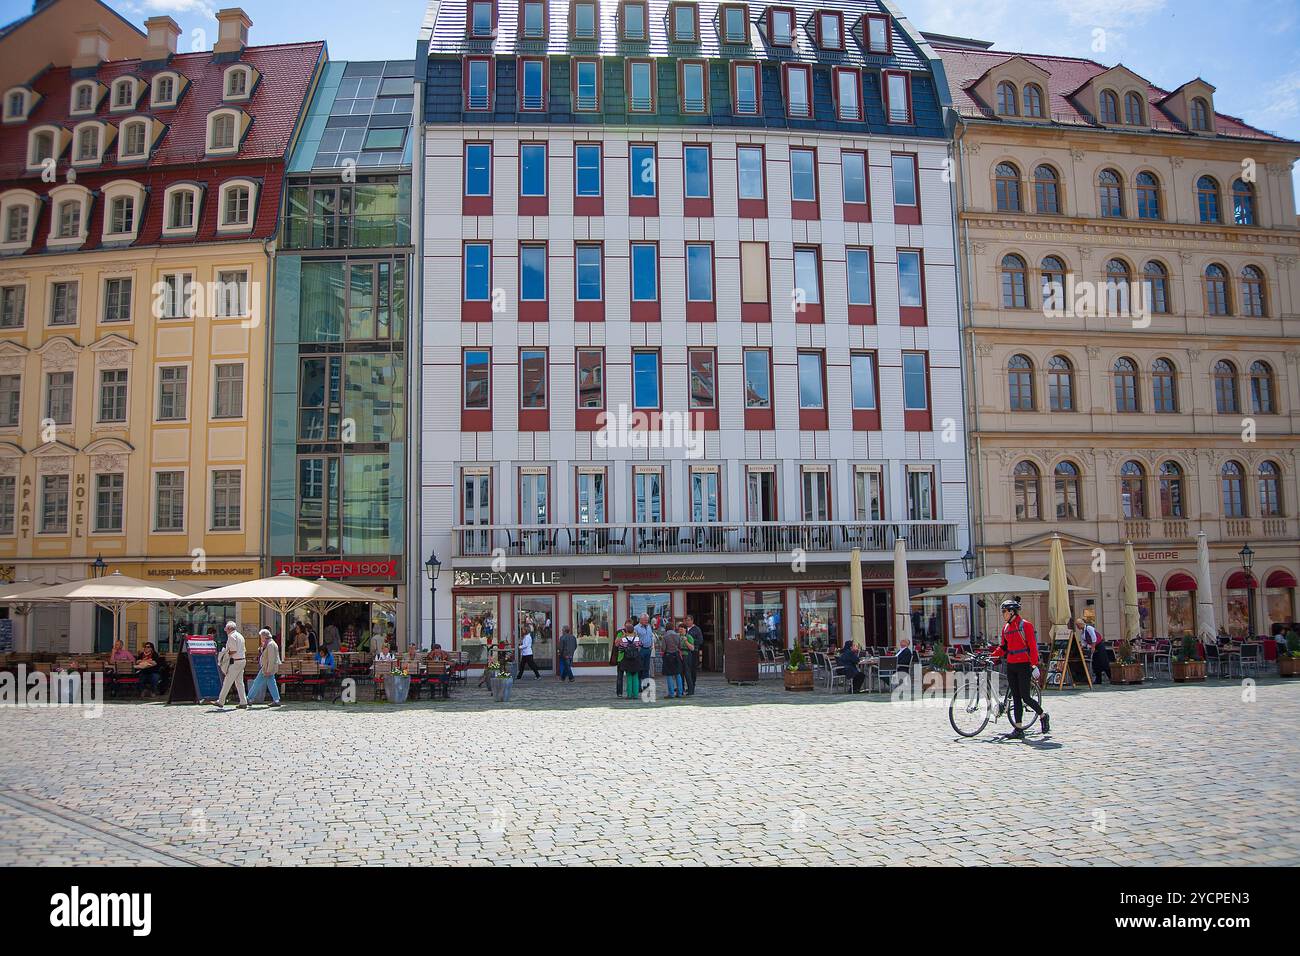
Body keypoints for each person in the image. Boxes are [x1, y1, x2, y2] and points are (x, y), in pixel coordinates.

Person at [992, 599, 1049, 738]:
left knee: (1025, 697)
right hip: (1011, 665)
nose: (1003, 614)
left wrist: (1034, 665)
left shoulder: (1026, 626)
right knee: (1016, 697)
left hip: (1024, 664)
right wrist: (992, 655)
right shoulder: (1006, 628)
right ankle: (1018, 728)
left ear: (1012, 611)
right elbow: (1004, 647)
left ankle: (1042, 715)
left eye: (1004, 611)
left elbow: (1033, 647)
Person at [215, 621, 249, 709]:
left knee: (227, 681)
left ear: (229, 629)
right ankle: (243, 702)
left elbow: (233, 650)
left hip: (236, 661)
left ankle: (220, 701)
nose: (225, 631)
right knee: (239, 682)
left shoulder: (231, 636)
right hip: (242, 660)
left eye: (226, 629)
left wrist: (225, 654)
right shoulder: (239, 635)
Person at [247, 629, 283, 708]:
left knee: (257, 682)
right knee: (271, 683)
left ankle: (249, 698)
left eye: (261, 636)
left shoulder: (270, 644)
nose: (260, 638)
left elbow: (271, 659)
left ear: (264, 636)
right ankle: (276, 700)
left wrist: (268, 670)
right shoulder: (270, 643)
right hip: (267, 667)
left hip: (266, 668)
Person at [617, 629, 642, 700]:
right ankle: (636, 694)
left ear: (627, 631)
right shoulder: (637, 638)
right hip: (636, 660)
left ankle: (629, 694)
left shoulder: (624, 639)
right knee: (636, 677)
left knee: (629, 677)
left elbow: (620, 649)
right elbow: (641, 646)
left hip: (627, 660)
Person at [662, 625, 685, 698]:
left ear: (666, 629)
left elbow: (663, 648)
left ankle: (671, 693)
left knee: (669, 675)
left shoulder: (665, 636)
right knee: (677, 674)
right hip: (676, 655)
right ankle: (680, 693)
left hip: (668, 655)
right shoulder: (677, 636)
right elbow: (680, 646)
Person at [634, 613, 656, 688]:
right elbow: (635, 639)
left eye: (647, 620)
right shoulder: (636, 628)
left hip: (648, 649)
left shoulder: (649, 626)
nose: (647, 621)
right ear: (641, 620)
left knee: (646, 668)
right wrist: (638, 647)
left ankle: (645, 684)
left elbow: (651, 636)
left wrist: (651, 645)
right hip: (641, 650)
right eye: (645, 620)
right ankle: (639, 686)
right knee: (640, 668)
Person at [683, 615, 703, 697]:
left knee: (693, 670)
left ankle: (692, 687)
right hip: (686, 653)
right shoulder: (685, 629)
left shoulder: (697, 630)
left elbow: (700, 641)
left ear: (692, 621)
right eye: (686, 620)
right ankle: (688, 687)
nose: (687, 622)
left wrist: (690, 640)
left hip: (694, 652)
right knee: (686, 671)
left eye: (688, 620)